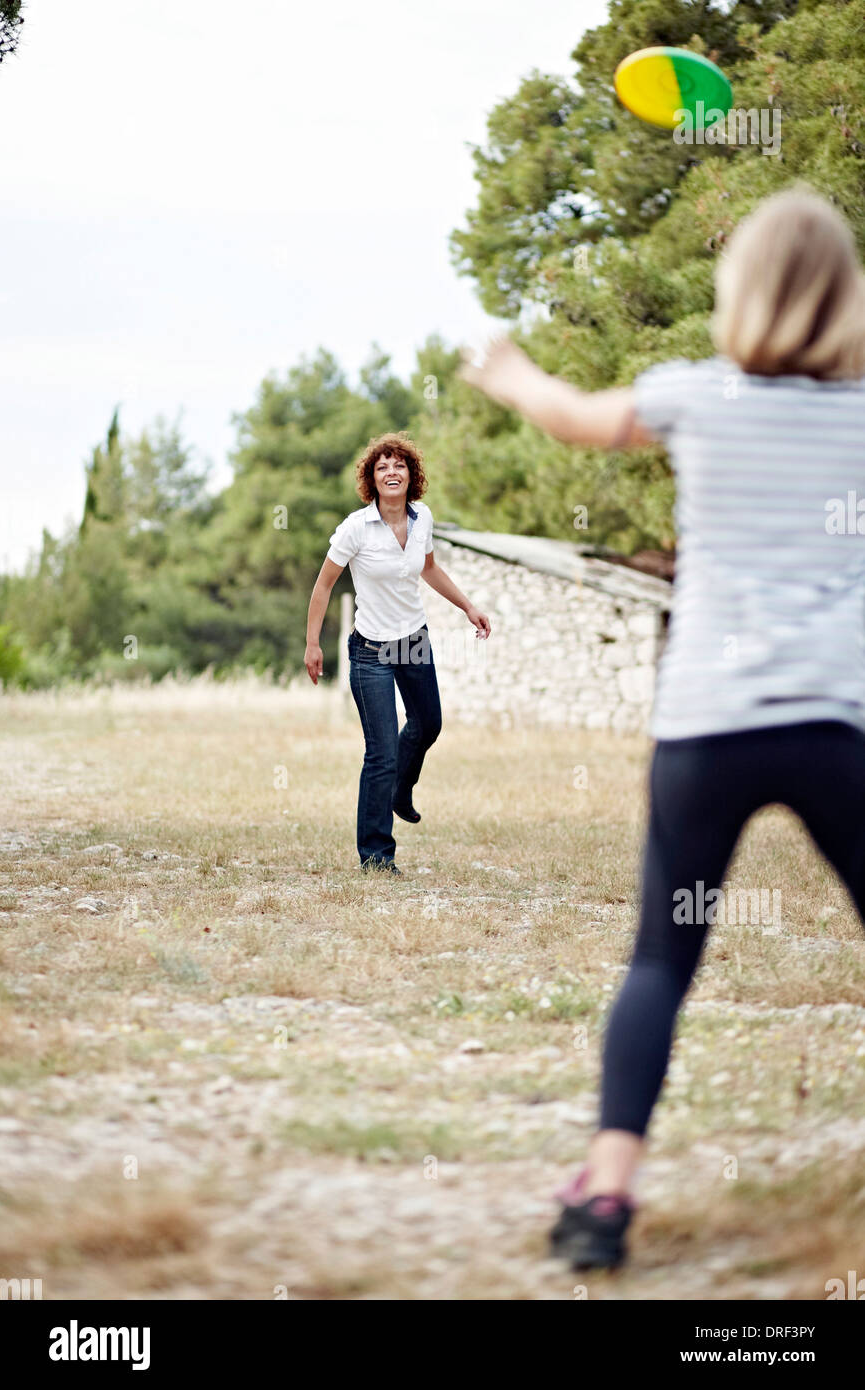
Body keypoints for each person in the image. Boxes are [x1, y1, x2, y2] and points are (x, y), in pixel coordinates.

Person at [459, 184, 865, 1269]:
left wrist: (508, 372)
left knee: (658, 962)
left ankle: (603, 1198)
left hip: (705, 728)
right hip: (834, 727)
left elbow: (574, 419)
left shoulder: (692, 396)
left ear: (737, 294)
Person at [305, 432, 491, 875]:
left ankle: (399, 789)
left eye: (399, 465)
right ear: (372, 479)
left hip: (414, 641)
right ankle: (376, 856)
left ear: (412, 475)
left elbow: (428, 568)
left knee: (429, 724)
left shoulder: (422, 516)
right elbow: (324, 585)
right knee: (381, 752)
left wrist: (468, 606)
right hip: (370, 651)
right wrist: (312, 642)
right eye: (382, 466)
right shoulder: (355, 528)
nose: (392, 471)